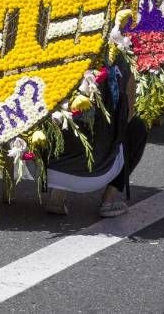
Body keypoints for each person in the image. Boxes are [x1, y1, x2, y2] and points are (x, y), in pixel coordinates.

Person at [43, 58, 145, 218]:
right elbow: (129, 115)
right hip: (97, 172)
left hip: (45, 172)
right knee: (137, 128)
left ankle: (59, 191)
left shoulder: (53, 55)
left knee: (53, 118)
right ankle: (108, 201)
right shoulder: (123, 63)